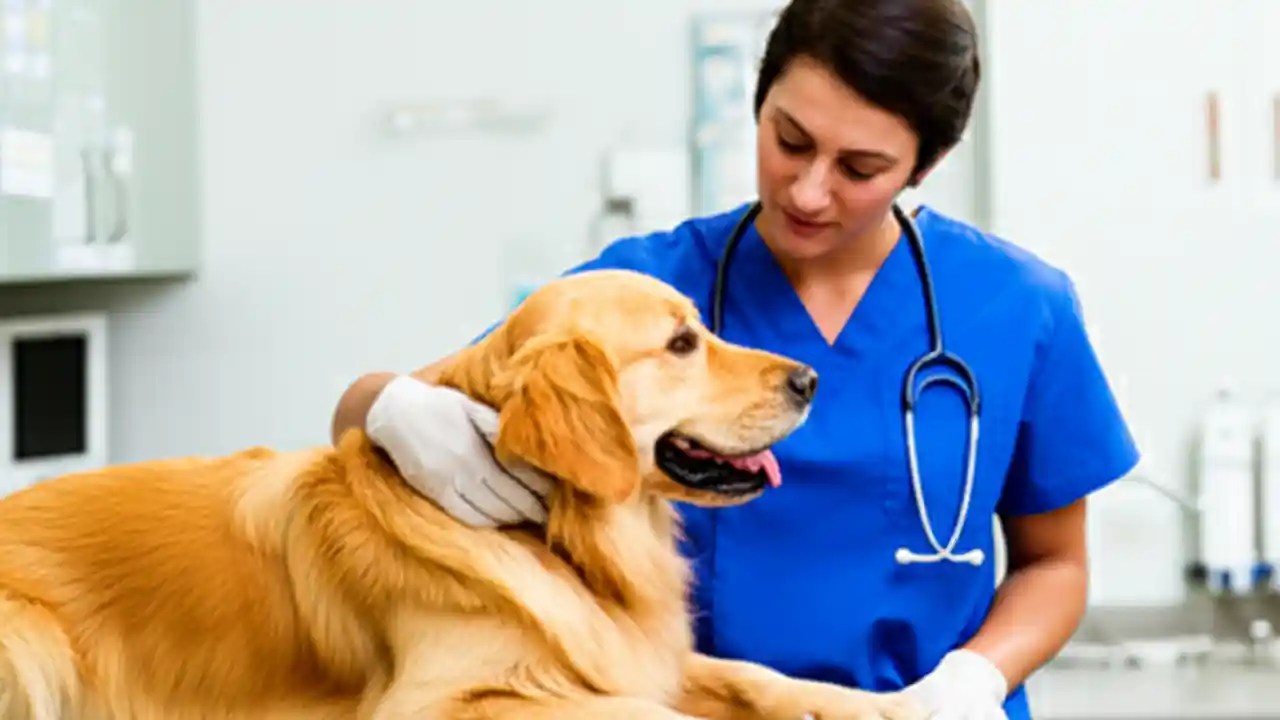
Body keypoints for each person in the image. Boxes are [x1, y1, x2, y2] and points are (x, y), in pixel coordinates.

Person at [330, 1, 1139, 718]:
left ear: (923, 167)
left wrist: (972, 681)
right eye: (790, 140)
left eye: (860, 170)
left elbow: (1055, 564)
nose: (809, 191)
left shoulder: (1017, 306)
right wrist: (397, 411)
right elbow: (368, 407)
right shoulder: (644, 290)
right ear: (758, 104)